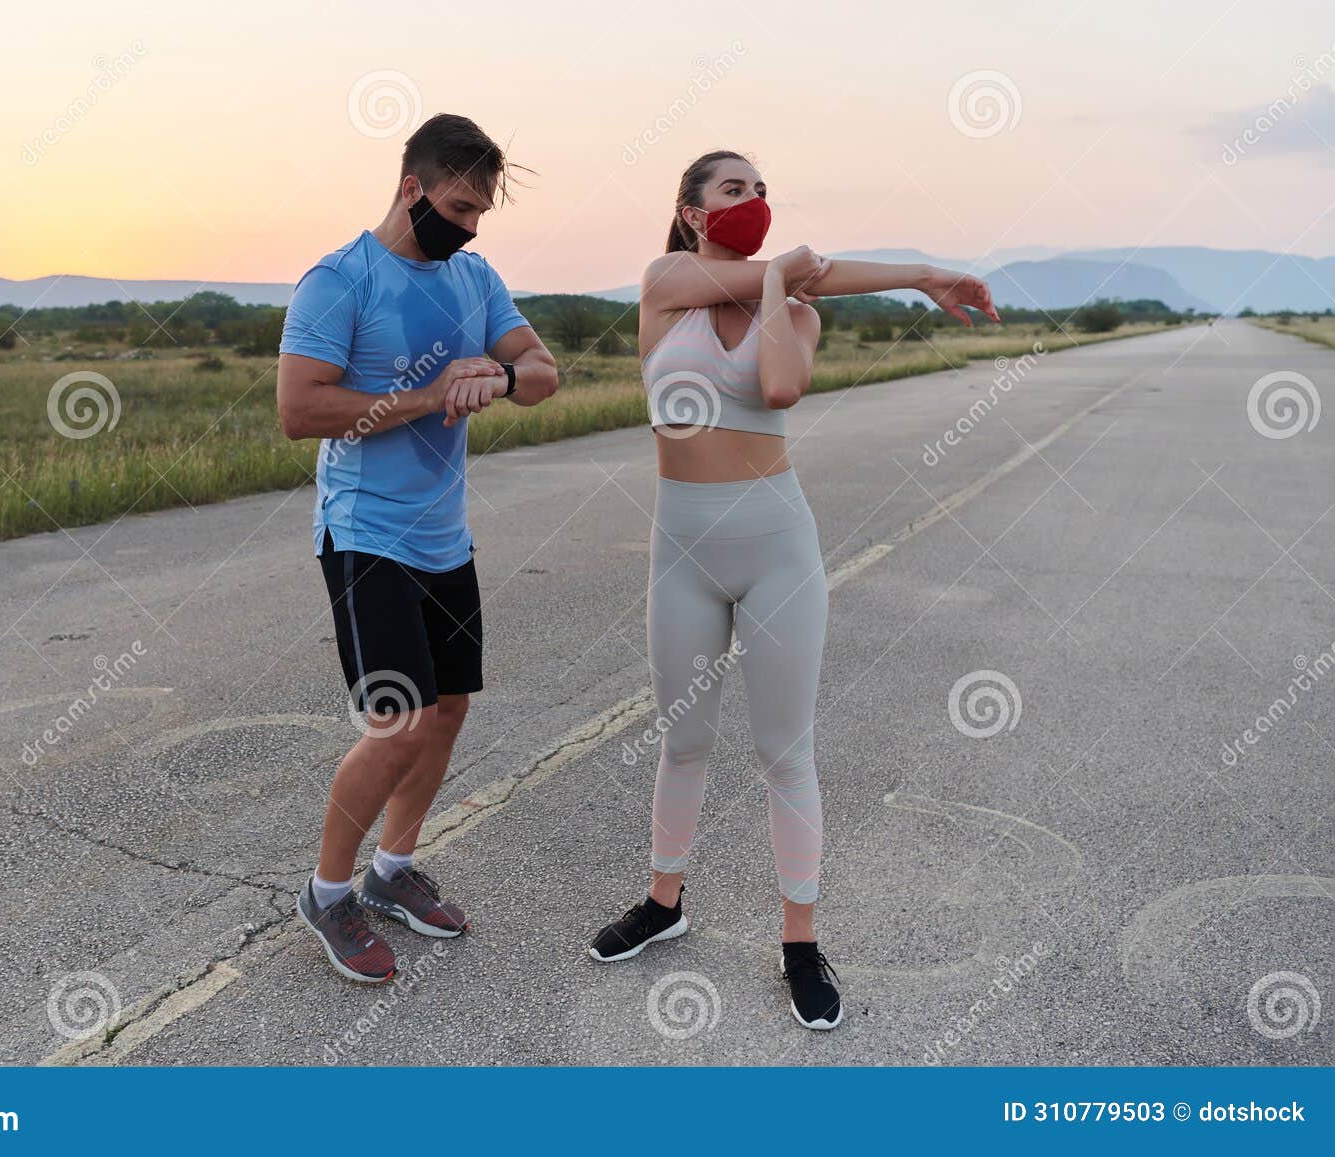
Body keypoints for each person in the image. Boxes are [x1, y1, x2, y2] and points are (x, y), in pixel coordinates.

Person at [587, 150, 998, 1029]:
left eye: (764, 190)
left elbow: (779, 383)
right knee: (683, 738)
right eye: (734, 190)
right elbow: (788, 269)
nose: (755, 202)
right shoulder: (666, 284)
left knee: (784, 750)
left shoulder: (799, 315)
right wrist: (801, 272)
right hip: (680, 551)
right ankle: (664, 905)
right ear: (693, 212)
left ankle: (800, 944)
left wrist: (903, 277)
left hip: (777, 549)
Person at [278, 113, 558, 983]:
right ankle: (328, 894)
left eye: (482, 213)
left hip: (446, 539)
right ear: (413, 189)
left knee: (447, 713)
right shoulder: (339, 280)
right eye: (461, 206)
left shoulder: (475, 278)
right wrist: (429, 393)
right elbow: (300, 410)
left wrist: (500, 377)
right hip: (366, 534)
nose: (470, 226)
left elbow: (543, 371)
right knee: (398, 725)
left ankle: (393, 871)